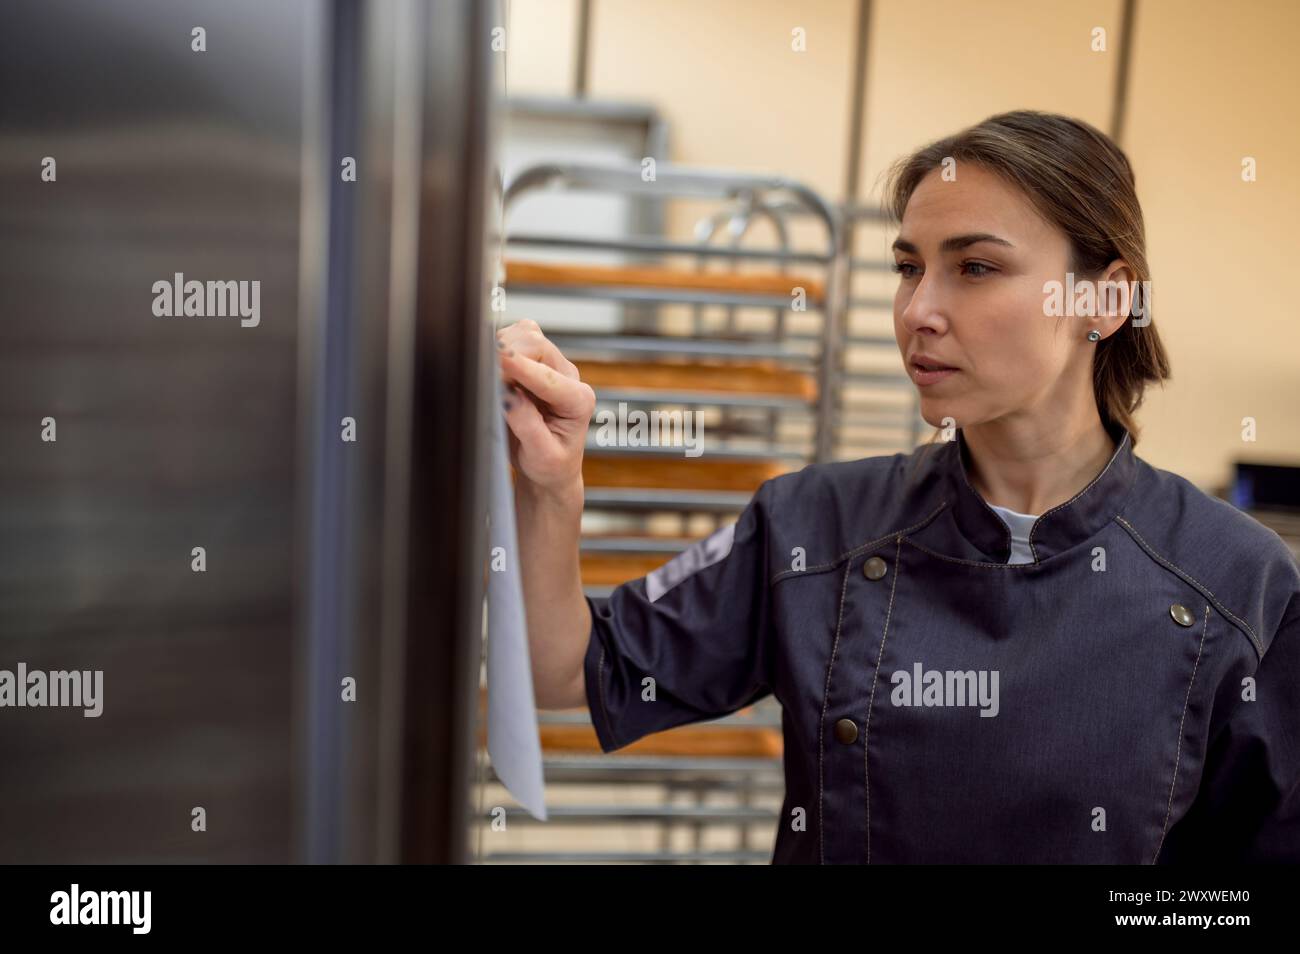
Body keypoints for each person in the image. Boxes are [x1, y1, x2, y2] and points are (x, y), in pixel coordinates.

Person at [497, 110, 1300, 864]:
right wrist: (552, 485)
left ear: (1104, 298)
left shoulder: (1238, 579)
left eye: (975, 268)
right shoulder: (813, 524)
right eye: (909, 268)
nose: (919, 310)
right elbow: (572, 674)